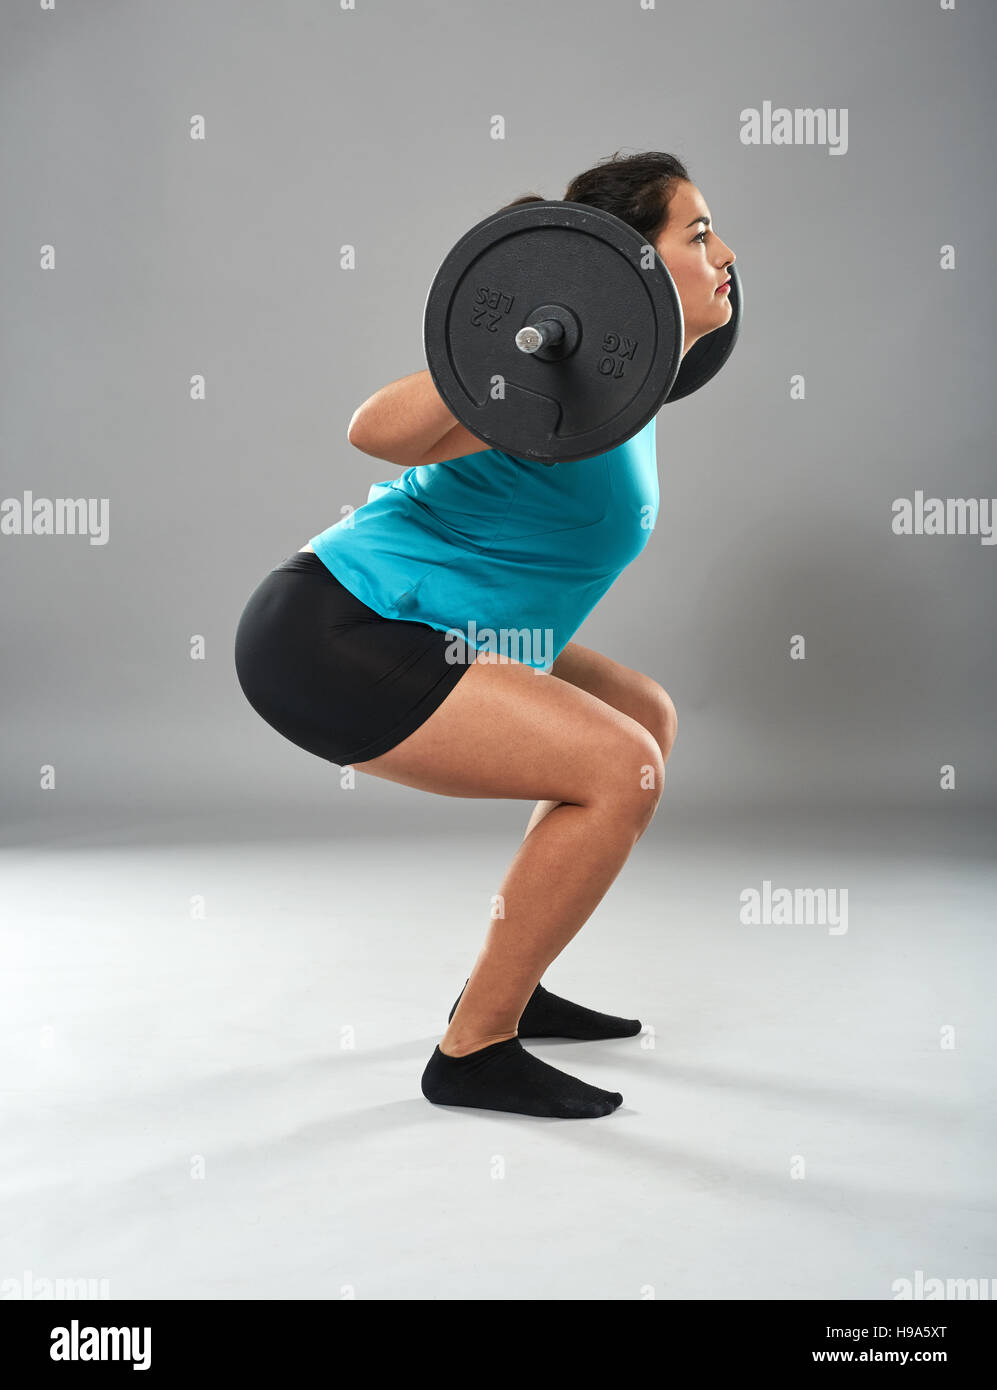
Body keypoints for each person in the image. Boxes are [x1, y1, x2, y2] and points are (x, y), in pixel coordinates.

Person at [234, 151, 736, 1120]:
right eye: (699, 232)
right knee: (619, 766)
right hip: (339, 626)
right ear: (627, 261)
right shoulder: (539, 381)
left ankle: (512, 978)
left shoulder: (617, 384)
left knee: (640, 714)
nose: (725, 253)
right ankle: (473, 1051)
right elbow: (371, 429)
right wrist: (526, 338)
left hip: (441, 627)